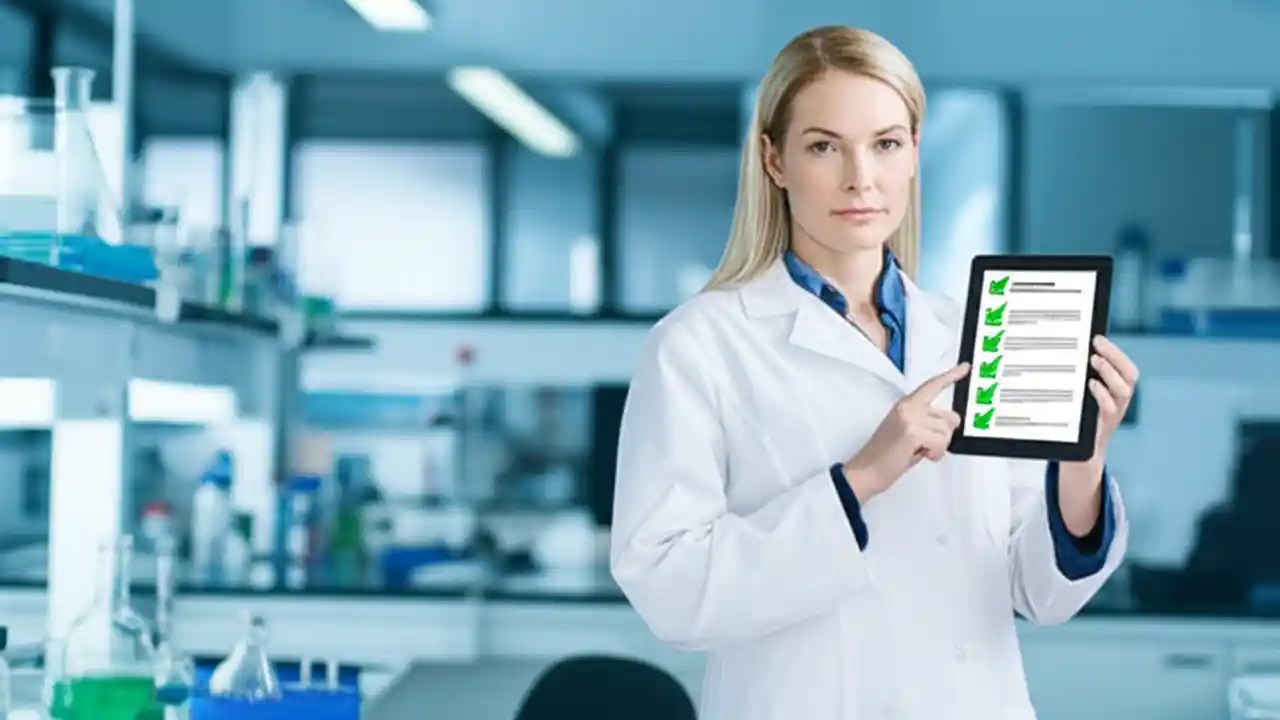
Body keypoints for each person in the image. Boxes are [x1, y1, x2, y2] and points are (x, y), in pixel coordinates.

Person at [609, 25, 1139, 720]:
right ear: (774, 159)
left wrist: (1083, 462)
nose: (861, 177)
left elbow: (1038, 591)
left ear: (915, 152)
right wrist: (862, 477)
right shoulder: (699, 344)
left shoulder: (968, 335)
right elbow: (670, 589)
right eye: (824, 146)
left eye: (886, 144)